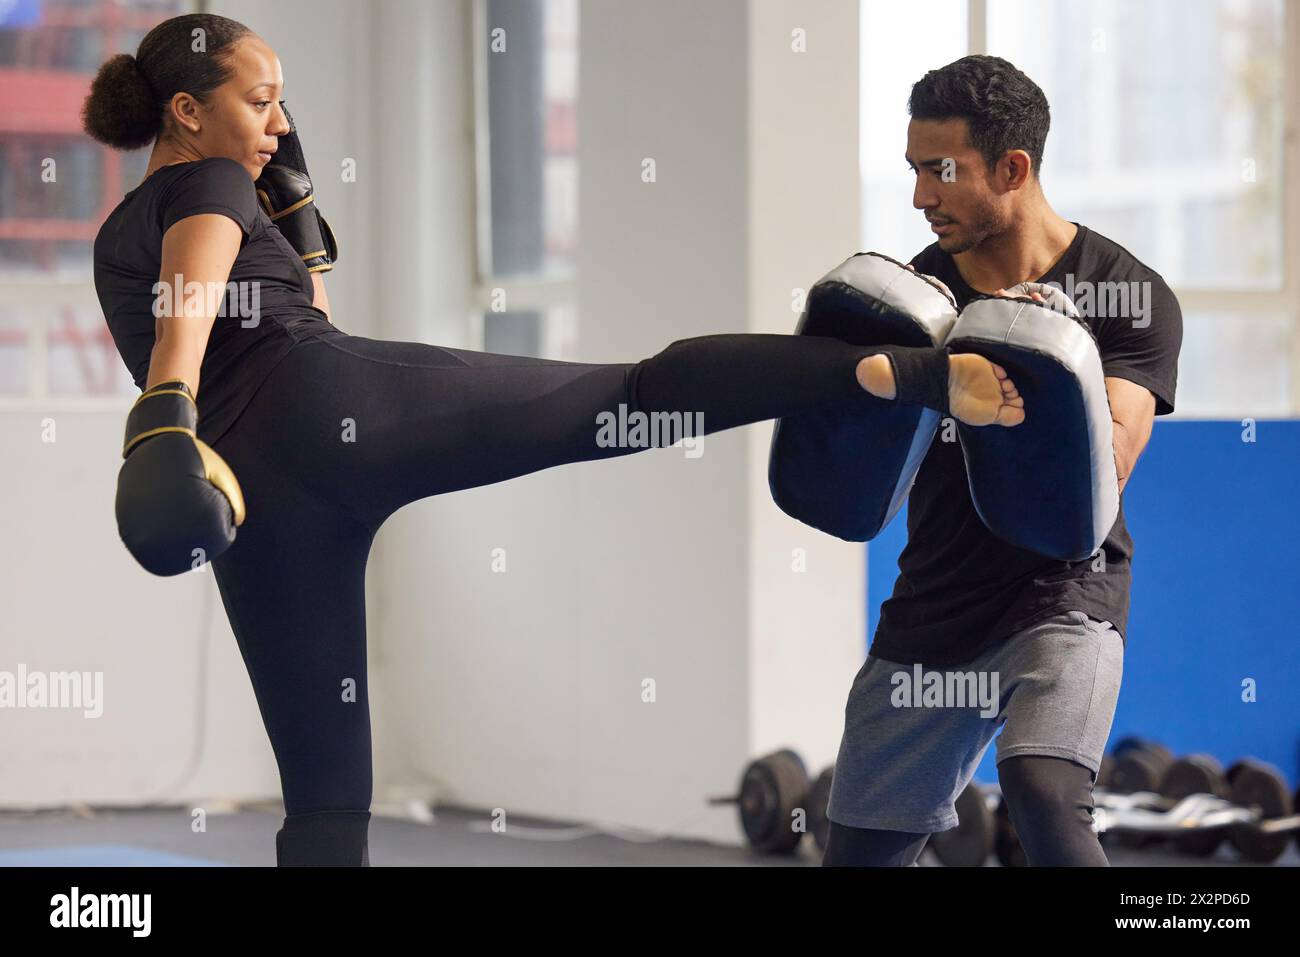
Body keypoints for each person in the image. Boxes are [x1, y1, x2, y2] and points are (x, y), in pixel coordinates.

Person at [83, 14, 1023, 865]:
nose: (280, 125)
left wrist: (295, 247)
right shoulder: (209, 179)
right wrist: (165, 400)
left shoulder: (117, 230)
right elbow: (193, 296)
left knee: (325, 795)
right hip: (323, 406)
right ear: (185, 112)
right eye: (260, 103)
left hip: (255, 494)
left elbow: (248, 309)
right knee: (632, 392)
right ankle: (916, 375)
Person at [822, 55, 1183, 867]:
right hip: (935, 604)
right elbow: (869, 453)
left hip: (1062, 591)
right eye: (914, 170)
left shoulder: (1126, 293)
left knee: (1047, 798)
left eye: (940, 171)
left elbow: (1110, 460)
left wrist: (1041, 354)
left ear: (1012, 168)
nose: (921, 197)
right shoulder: (912, 299)